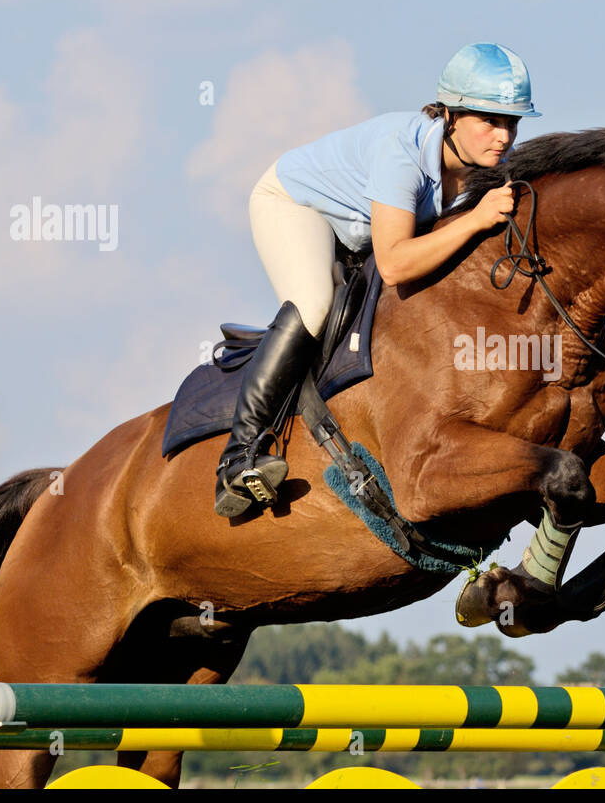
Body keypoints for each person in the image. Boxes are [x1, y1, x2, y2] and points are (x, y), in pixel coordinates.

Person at [214, 43, 542, 517]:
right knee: (314, 303)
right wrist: (474, 221)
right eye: (490, 121)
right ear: (450, 115)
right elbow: (395, 265)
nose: (504, 136)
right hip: (295, 204)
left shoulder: (476, 170)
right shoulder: (403, 155)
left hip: (355, 229)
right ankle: (237, 458)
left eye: (512, 123)